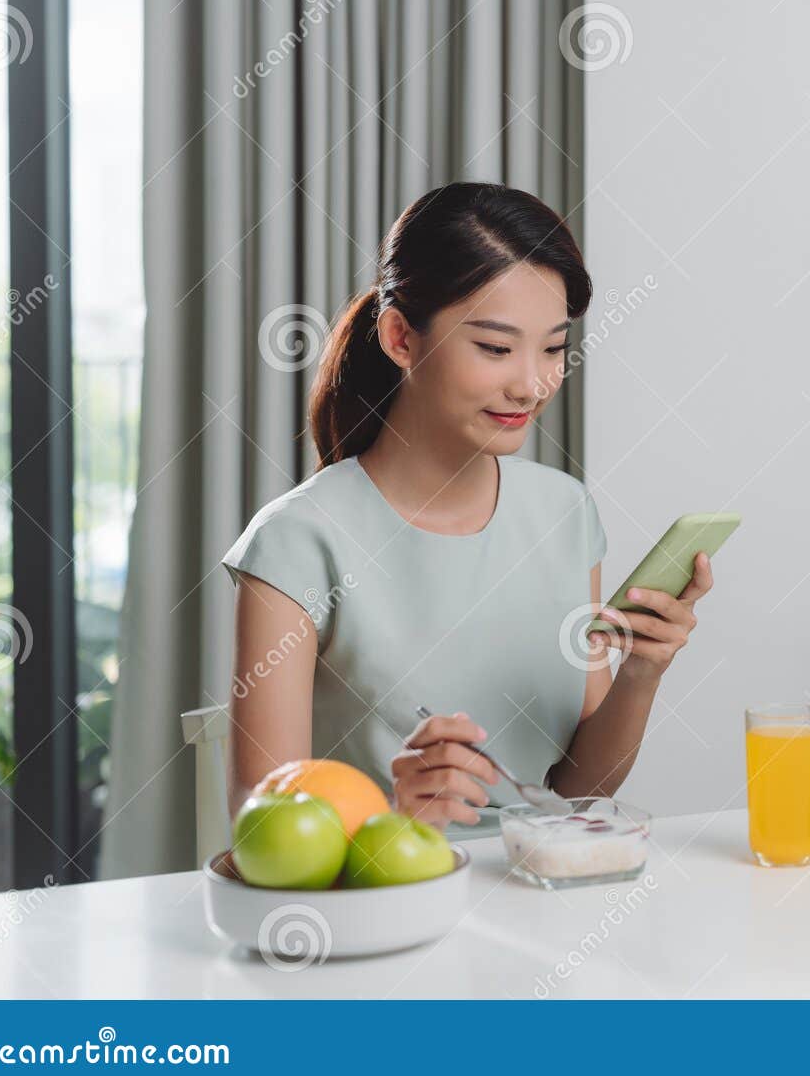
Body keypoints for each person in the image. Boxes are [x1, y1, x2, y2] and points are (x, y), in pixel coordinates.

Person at [221, 182, 713, 834]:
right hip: (378, 908)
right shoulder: (297, 540)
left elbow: (577, 791)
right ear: (400, 337)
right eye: (495, 347)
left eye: (553, 347)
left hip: (539, 895)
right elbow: (261, 825)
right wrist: (395, 814)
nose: (532, 382)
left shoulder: (565, 513)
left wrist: (643, 669)